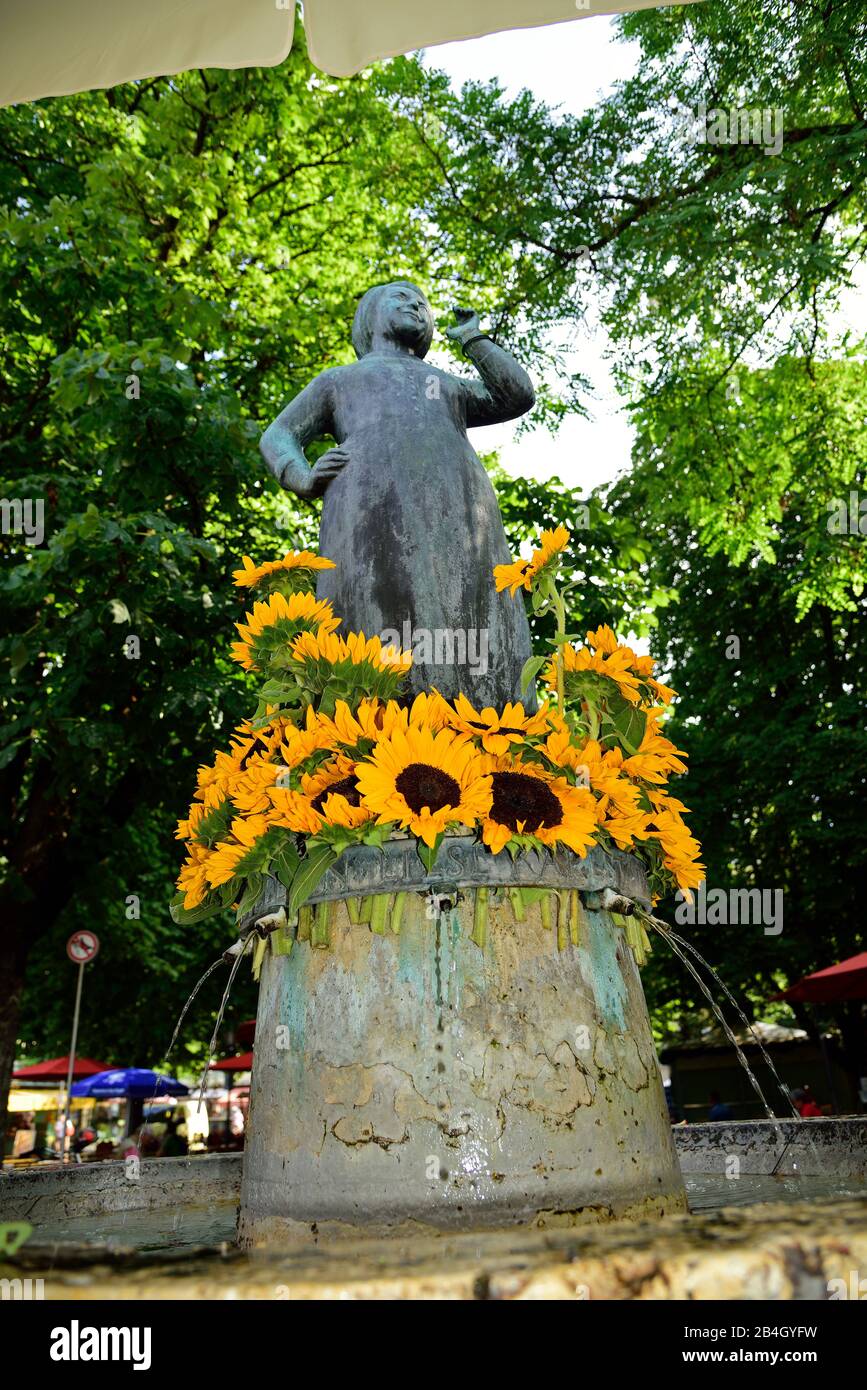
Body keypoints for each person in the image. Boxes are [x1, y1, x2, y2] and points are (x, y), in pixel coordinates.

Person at [260, 283, 538, 709]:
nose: (415, 306)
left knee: (469, 604)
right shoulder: (339, 381)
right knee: (377, 607)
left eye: (421, 304)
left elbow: (516, 394)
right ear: (370, 316)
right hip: (369, 508)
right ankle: (376, 730)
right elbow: (279, 434)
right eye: (401, 298)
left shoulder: (445, 384)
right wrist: (301, 475)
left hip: (460, 513)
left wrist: (472, 339)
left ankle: (486, 726)